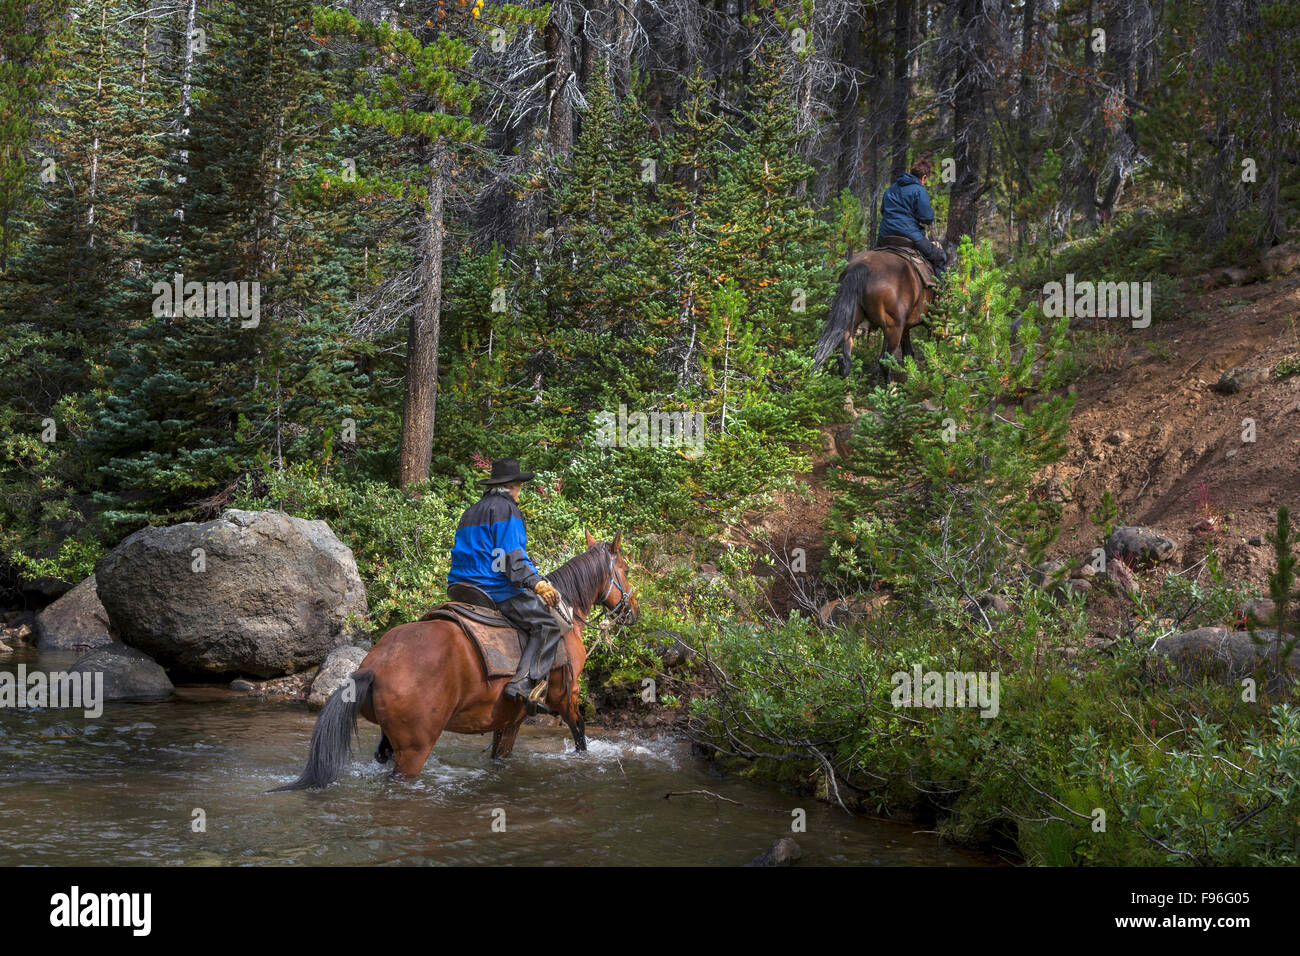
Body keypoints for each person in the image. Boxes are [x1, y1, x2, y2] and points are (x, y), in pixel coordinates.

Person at [447, 457, 562, 707]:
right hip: (492, 588)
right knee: (547, 626)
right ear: (512, 486)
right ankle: (524, 684)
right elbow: (512, 558)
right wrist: (537, 584)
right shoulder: (507, 510)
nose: (520, 491)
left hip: (459, 588)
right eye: (519, 485)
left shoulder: (470, 511)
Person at [876, 155, 947, 280]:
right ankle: (942, 295)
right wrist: (930, 215)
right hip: (910, 235)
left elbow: (883, 210)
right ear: (924, 177)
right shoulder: (919, 190)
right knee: (940, 257)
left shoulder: (890, 189)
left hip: (885, 235)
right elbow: (926, 217)